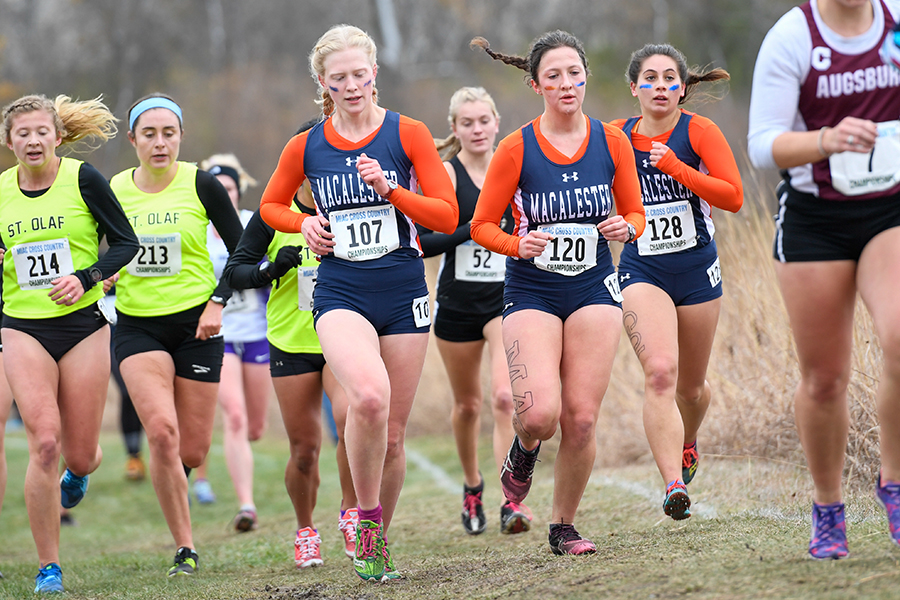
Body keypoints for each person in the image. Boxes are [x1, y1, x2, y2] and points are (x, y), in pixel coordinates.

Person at [259, 24, 458, 582]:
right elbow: (270, 207)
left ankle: (374, 537)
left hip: (403, 290)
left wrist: (391, 190)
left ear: (375, 73)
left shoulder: (408, 133)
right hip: (341, 290)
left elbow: (446, 214)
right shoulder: (307, 145)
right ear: (322, 83)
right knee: (368, 398)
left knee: (392, 432)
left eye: (359, 74)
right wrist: (307, 225)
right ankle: (361, 516)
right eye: (338, 77)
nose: (351, 85)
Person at [470, 31, 645, 555]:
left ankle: (562, 524)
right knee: (541, 415)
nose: (566, 84)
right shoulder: (516, 147)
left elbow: (635, 213)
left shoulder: (613, 142)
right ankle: (524, 447)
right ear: (536, 84)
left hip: (594, 284)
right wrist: (517, 244)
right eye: (554, 76)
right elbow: (481, 226)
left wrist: (627, 229)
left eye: (574, 73)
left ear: (586, 76)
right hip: (533, 288)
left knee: (583, 417)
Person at [748, 0, 900, 559]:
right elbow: (762, 144)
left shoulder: (896, 24)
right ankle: (828, 507)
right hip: (816, 220)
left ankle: (894, 482)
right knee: (825, 380)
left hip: (891, 210)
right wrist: (824, 139)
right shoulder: (792, 37)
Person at [0, 94, 139, 593]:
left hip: (82, 326)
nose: (33, 140)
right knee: (44, 443)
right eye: (22, 133)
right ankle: (48, 566)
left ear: (57, 137)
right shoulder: (0, 192)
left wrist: (87, 276)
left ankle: (79, 473)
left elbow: (126, 242)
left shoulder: (82, 179)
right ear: (9, 141)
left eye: (42, 132)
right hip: (22, 326)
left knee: (78, 455)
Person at [109, 93, 244, 576]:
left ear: (181, 137)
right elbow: (92, 248)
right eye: (149, 133)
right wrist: (100, 274)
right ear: (133, 140)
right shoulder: (114, 188)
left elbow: (241, 252)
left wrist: (218, 301)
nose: (160, 142)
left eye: (169, 133)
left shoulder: (201, 184)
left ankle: (177, 480)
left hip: (197, 326)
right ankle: (185, 548)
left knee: (192, 450)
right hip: (137, 327)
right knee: (163, 434)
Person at [611, 44, 743, 521]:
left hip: (695, 269)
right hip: (642, 267)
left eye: (670, 78)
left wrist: (678, 169)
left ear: (683, 89)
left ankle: (688, 440)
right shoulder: (615, 136)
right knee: (660, 373)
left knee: (690, 388)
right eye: (650, 78)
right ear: (634, 88)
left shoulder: (699, 131)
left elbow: (733, 197)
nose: (661, 86)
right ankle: (672, 483)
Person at [223, 174, 357, 568]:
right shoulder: (272, 214)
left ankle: (351, 514)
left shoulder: (350, 209)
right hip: (290, 343)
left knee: (351, 421)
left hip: (343, 337)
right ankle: (306, 531)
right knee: (304, 450)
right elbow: (235, 272)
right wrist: (270, 269)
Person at [419, 87, 518, 535]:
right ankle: (472, 485)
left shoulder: (513, 164)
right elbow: (423, 242)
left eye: (484, 121)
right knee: (467, 404)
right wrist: (473, 232)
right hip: (456, 303)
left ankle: (511, 502)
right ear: (455, 129)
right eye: (467, 123)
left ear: (496, 122)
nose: (477, 129)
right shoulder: (444, 173)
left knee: (504, 398)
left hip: (505, 298)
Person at [191, 153, 271, 530]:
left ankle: (235, 473)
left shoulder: (253, 225)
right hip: (219, 337)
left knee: (255, 427)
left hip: (258, 334)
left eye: (229, 189)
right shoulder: (194, 230)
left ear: (238, 192)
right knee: (235, 417)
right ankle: (247, 506)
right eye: (216, 189)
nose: (223, 195)